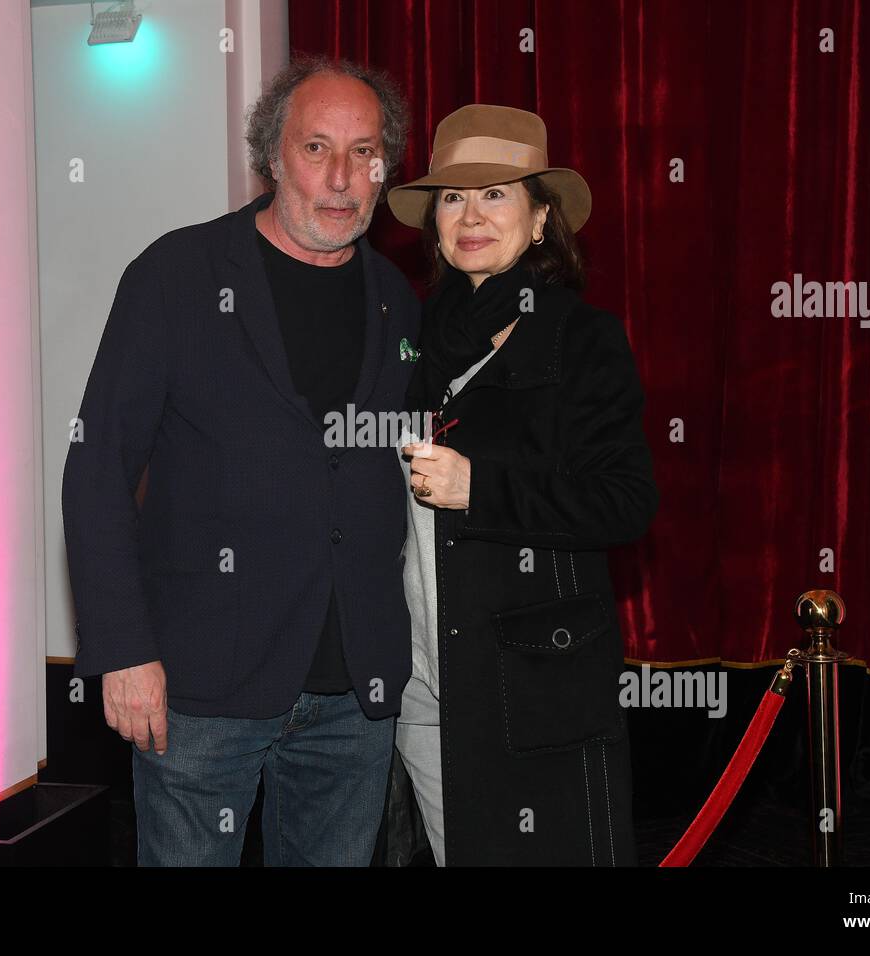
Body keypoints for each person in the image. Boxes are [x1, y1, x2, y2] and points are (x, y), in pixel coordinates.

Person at [61, 55, 419, 866]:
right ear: (270, 155)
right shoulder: (176, 276)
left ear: (385, 168)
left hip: (356, 691)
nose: (340, 177)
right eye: (316, 147)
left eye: (364, 153)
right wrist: (119, 647)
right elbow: (96, 469)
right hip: (198, 690)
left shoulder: (399, 295)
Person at [387, 104, 658, 866]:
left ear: (541, 218)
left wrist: (484, 490)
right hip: (421, 686)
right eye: (452, 197)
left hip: (531, 686)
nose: (471, 215)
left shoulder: (581, 338)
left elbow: (627, 501)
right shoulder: (409, 340)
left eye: (497, 193)